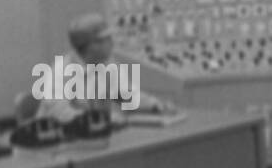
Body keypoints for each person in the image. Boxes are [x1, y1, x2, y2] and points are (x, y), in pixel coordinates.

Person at [37, 12, 172, 125]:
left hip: (96, 136)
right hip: (59, 143)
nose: (112, 43)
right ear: (91, 45)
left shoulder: (108, 65)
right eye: (106, 39)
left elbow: (127, 95)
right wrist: (104, 119)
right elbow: (60, 113)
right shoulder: (61, 71)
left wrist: (155, 105)